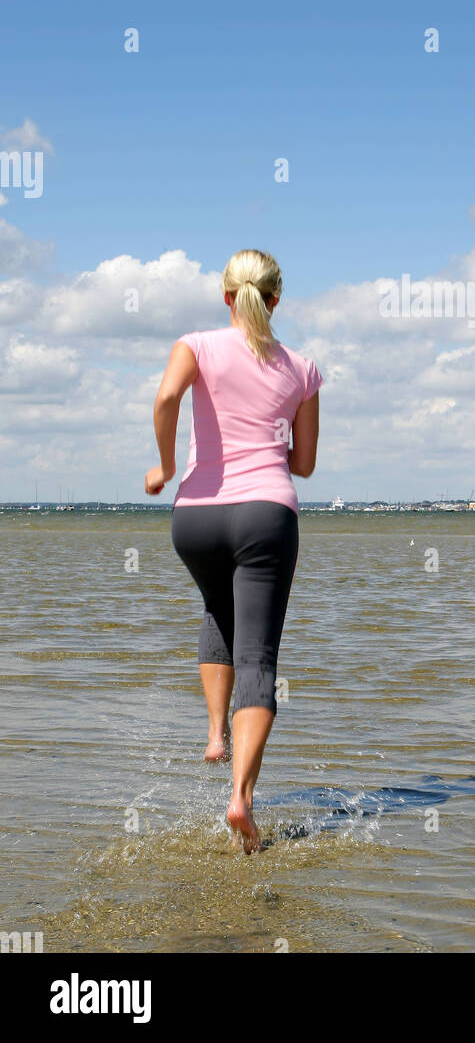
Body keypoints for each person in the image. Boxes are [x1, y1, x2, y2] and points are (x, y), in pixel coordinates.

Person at [144, 249, 321, 853]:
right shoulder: (301, 368)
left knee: (218, 609)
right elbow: (303, 464)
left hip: (194, 517)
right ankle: (242, 799)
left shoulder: (194, 344)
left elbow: (166, 401)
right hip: (265, 516)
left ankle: (216, 734)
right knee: (259, 660)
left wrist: (167, 466)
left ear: (227, 297)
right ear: (276, 299)